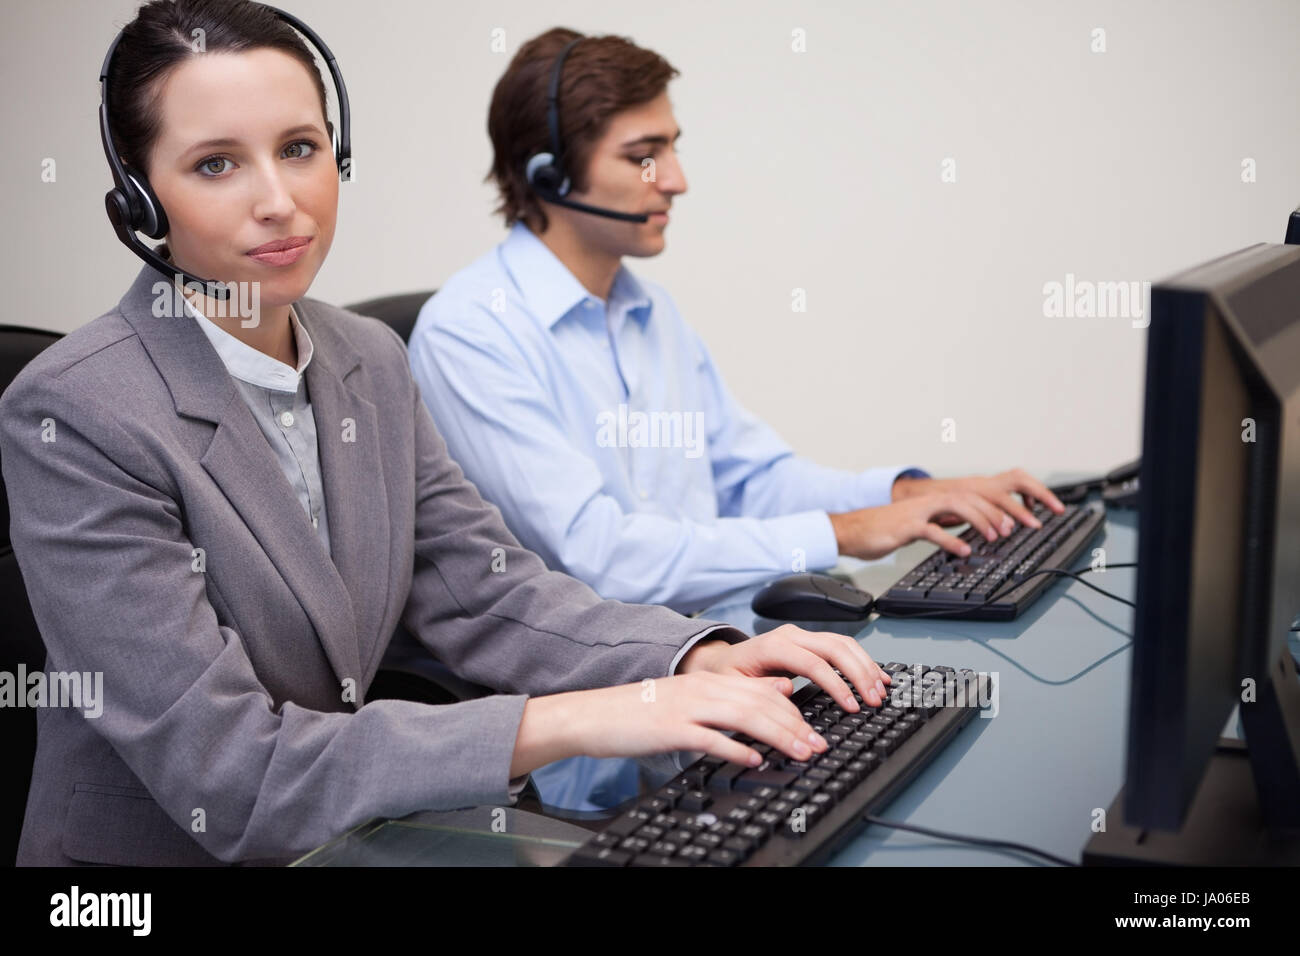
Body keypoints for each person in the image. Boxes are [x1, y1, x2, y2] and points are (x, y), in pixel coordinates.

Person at [0, 0, 891, 866]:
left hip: (347, 833)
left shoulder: (370, 361)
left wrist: (694, 656)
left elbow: (489, 591)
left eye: (300, 149)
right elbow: (235, 776)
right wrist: (589, 715)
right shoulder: (78, 414)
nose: (279, 200)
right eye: (217, 164)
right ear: (140, 203)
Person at [407, 27, 1065, 809]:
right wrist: (843, 532)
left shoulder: (647, 311)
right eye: (644, 154)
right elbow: (600, 556)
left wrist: (902, 495)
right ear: (549, 175)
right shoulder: (471, 334)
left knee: (980, 754)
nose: (676, 180)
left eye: (673, 148)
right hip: (622, 744)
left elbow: (750, 474)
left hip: (740, 671)